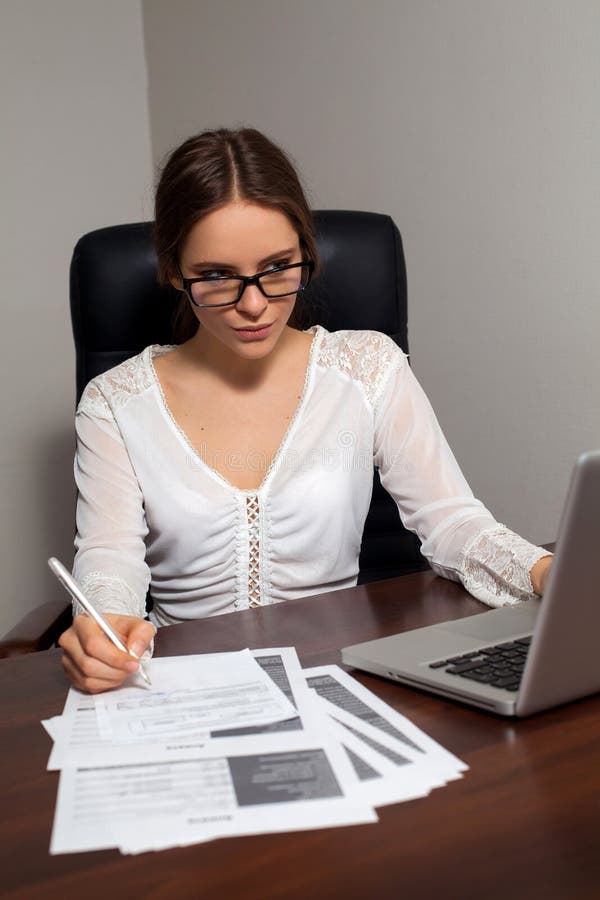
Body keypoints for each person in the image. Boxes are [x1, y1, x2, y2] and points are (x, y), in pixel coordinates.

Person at [59, 127, 553, 692]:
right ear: (174, 270)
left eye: (277, 267)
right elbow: (109, 559)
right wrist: (101, 627)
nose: (253, 304)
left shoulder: (367, 367)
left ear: (306, 253)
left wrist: (545, 572)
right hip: (180, 688)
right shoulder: (114, 404)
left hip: (336, 676)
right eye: (218, 276)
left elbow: (451, 521)